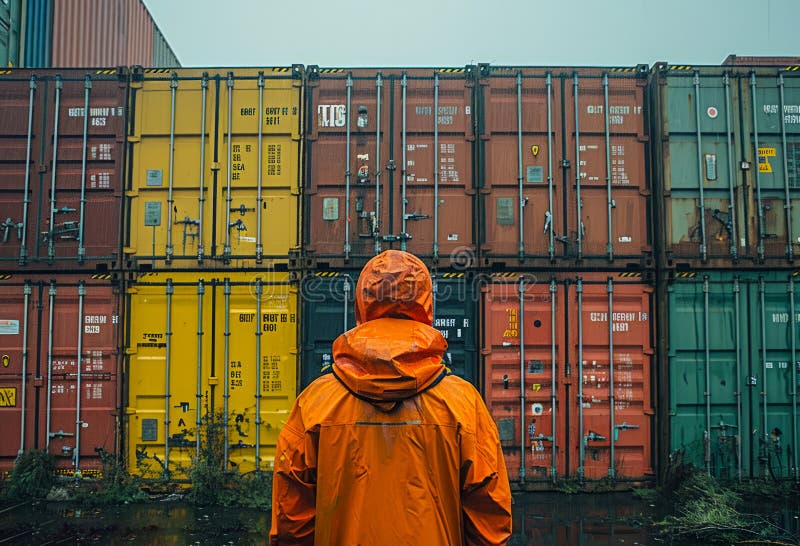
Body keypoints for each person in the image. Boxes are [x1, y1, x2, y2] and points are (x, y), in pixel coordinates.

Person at [270, 250, 512, 545]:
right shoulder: (463, 403)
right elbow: (491, 520)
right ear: (426, 307)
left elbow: (290, 520)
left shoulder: (315, 402)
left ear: (361, 304)